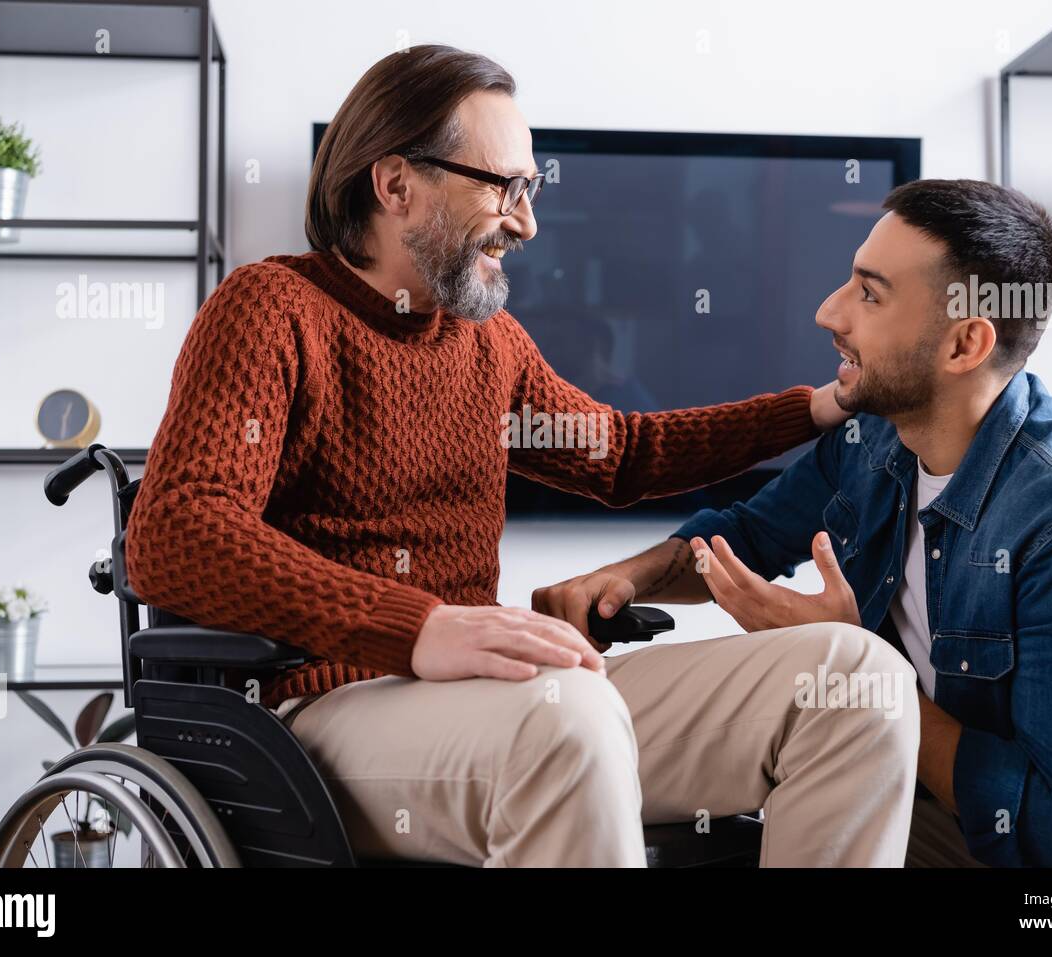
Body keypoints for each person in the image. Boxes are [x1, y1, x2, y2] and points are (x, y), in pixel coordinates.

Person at [125, 44, 919, 867]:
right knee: (564, 715)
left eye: (528, 189)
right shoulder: (269, 309)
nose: (527, 221)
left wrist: (819, 406)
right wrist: (419, 626)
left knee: (856, 682)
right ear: (395, 184)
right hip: (319, 712)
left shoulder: (488, 343)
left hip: (501, 704)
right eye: (502, 186)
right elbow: (176, 531)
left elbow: (623, 454)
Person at [538, 178, 1052, 867]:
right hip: (927, 810)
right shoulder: (875, 440)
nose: (830, 312)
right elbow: (748, 534)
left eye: (870, 293)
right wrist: (623, 578)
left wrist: (859, 672)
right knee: (686, 842)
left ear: (963, 345)